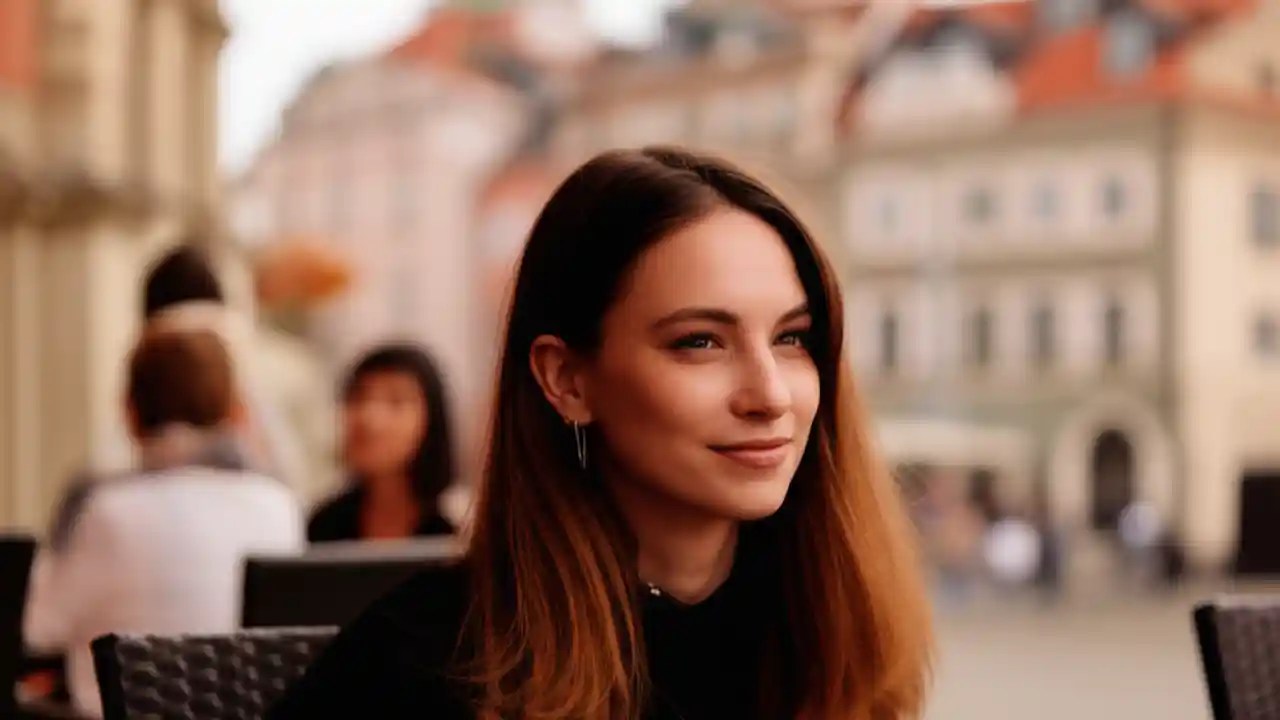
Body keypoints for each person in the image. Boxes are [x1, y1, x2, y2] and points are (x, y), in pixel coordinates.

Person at [271, 147, 933, 719]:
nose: (769, 395)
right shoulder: (421, 668)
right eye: (700, 341)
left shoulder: (834, 628)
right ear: (567, 380)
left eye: (793, 338)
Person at [24, 330, 303, 718]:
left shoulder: (108, 508)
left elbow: (37, 628)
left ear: (129, 411)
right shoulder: (278, 503)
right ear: (237, 412)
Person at [307, 344, 458, 542]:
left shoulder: (456, 527)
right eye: (358, 397)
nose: (369, 418)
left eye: (396, 401)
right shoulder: (324, 524)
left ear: (432, 420)